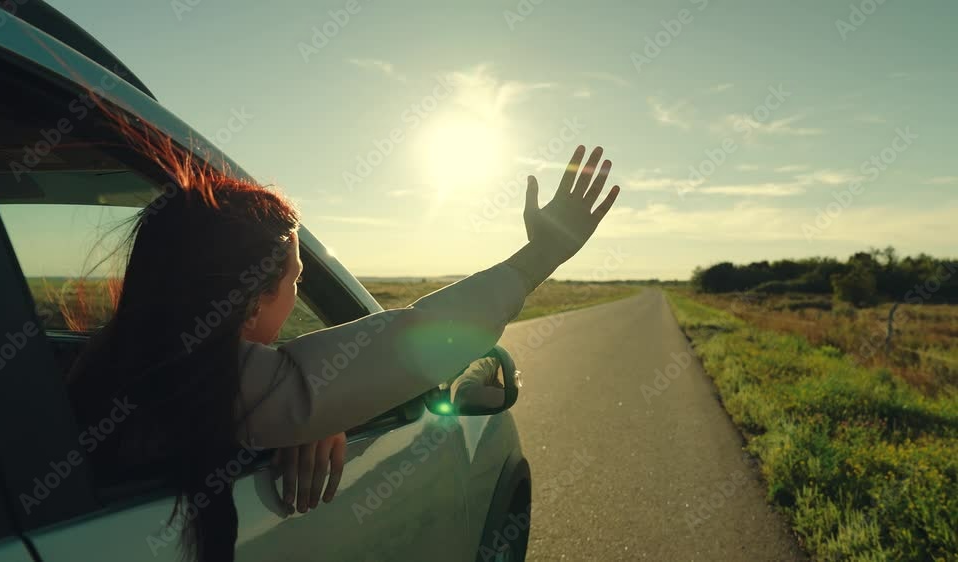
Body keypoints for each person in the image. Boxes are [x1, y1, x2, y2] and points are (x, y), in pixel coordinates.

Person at [67, 104, 619, 562]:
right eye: (296, 283)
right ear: (253, 299)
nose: (294, 300)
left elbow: (298, 392)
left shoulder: (104, 367)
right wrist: (537, 259)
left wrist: (317, 417)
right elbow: (395, 347)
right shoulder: (216, 387)